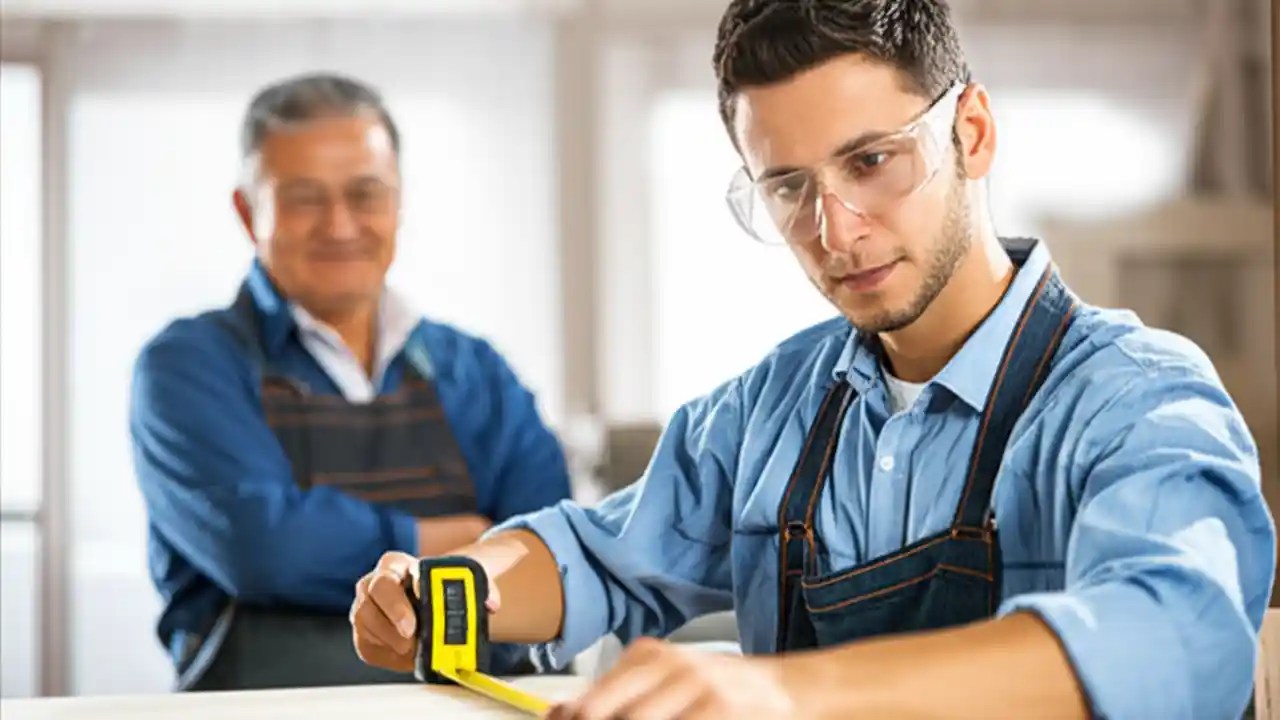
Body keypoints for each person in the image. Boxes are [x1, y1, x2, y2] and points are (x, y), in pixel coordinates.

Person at [349, 2, 1277, 717]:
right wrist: (446, 597)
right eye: (789, 188)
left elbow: (1175, 637)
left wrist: (797, 695)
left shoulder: (1136, 400)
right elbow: (603, 559)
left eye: (871, 161)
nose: (835, 230)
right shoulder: (769, 412)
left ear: (974, 133)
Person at [130, 73, 572, 691]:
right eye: (304, 198)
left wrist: (341, 536)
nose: (339, 226)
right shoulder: (189, 367)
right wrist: (460, 538)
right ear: (245, 210)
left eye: (365, 194)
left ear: (398, 202)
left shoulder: (477, 370)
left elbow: (551, 548)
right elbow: (264, 550)